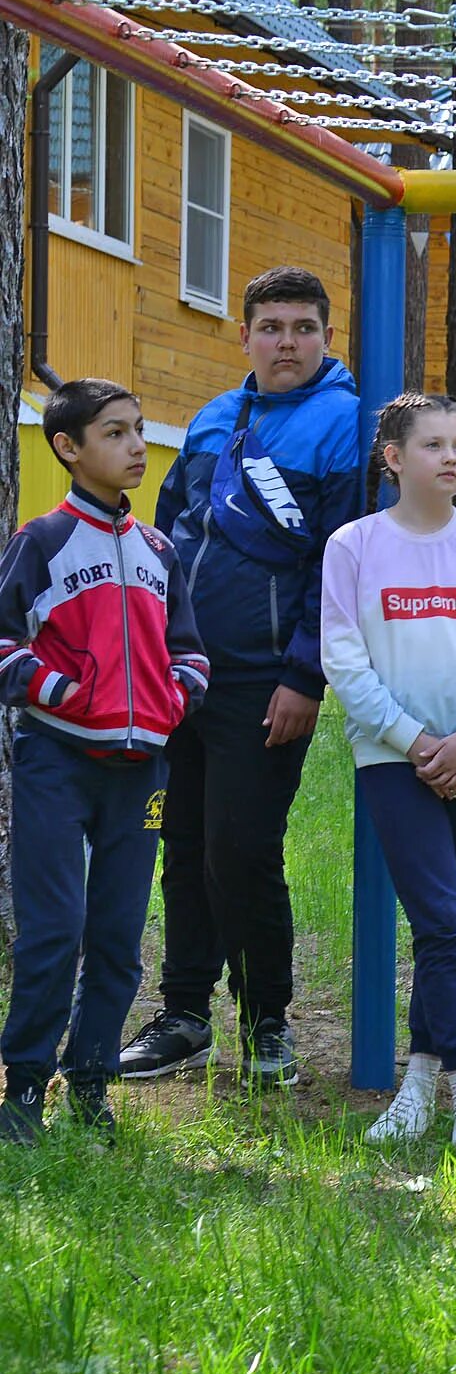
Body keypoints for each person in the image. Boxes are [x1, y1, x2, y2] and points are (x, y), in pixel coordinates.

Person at [123, 266, 364, 1089]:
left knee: (243, 849)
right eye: (271, 326)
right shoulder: (211, 419)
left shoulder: (344, 426)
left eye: (302, 327)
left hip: (267, 683)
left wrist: (305, 676)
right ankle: (185, 1016)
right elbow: (164, 536)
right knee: (182, 845)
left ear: (327, 337)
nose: (286, 342)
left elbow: (340, 569)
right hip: (179, 676)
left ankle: (267, 1023)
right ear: (246, 335)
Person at [321, 394, 456, 1152]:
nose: (452, 459)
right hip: (393, 761)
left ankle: (416, 1084)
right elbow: (343, 658)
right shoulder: (353, 545)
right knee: (444, 921)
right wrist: (417, 743)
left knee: (444, 928)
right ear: (393, 458)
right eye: (434, 445)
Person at [0, 380, 208, 1143]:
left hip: (143, 772)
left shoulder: (159, 551)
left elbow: (189, 652)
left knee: (118, 936)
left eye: (137, 432)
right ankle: (23, 1085)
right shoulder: (42, 541)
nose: (134, 448)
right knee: (54, 928)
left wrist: (169, 701)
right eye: (115, 434)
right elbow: (3, 643)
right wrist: (62, 691)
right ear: (69, 447)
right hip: (56, 760)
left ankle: (91, 1081)